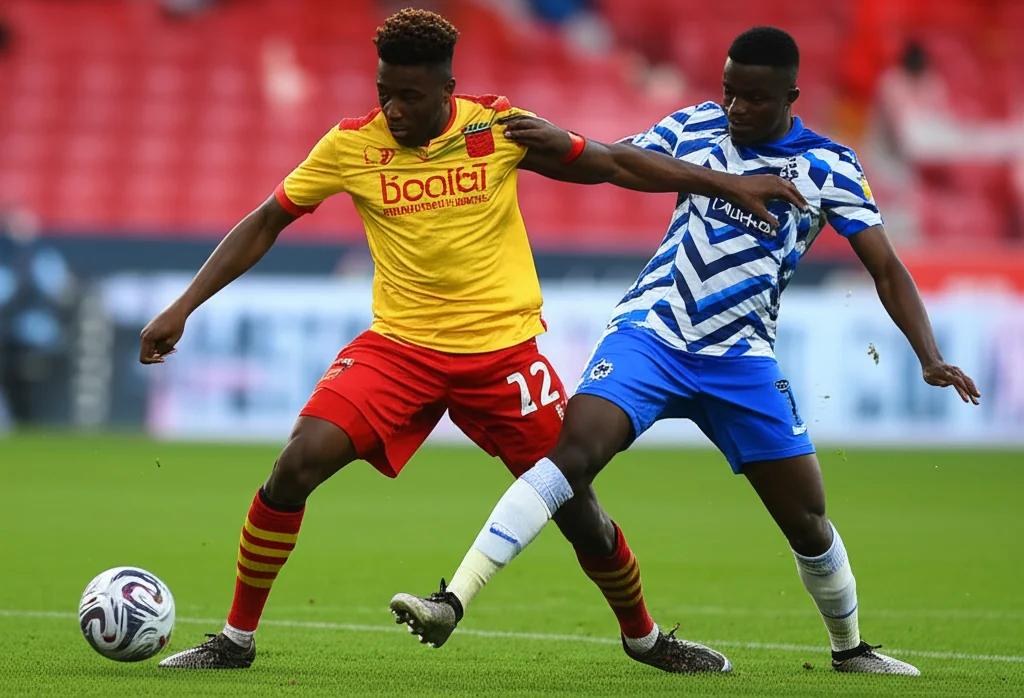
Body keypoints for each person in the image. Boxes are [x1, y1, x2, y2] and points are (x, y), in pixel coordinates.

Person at [147, 10, 803, 670]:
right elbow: (266, 222)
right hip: (399, 349)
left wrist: (725, 182)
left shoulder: (497, 127)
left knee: (578, 510)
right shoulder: (349, 146)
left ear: (446, 89)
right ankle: (234, 640)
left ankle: (645, 638)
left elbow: (611, 162)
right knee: (295, 464)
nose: (393, 110)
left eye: (409, 96)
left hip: (503, 355)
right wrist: (183, 307)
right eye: (384, 94)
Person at [391, 26, 981, 676]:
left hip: (742, 360)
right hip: (652, 335)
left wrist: (927, 354)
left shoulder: (828, 165)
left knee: (808, 520)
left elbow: (887, 269)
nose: (736, 110)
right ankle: (452, 599)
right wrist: (552, 140)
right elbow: (615, 162)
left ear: (791, 95)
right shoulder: (695, 127)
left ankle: (850, 649)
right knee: (573, 455)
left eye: (754, 98)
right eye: (729, 93)